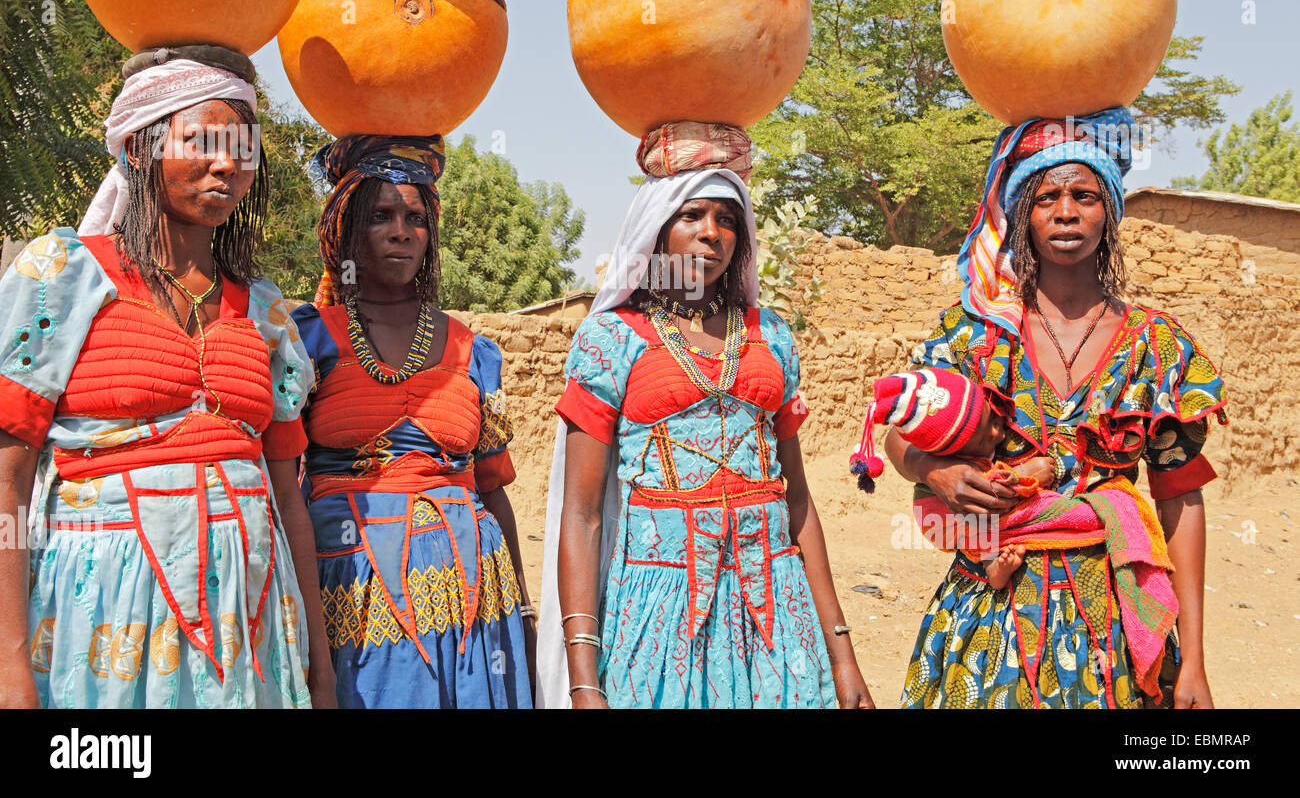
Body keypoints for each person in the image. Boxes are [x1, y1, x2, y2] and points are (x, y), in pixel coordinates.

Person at [0, 57, 333, 708]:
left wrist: (318, 673)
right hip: (102, 619)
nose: (227, 164)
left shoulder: (264, 312)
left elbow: (288, 502)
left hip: (251, 620)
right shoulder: (62, 277)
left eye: (243, 149)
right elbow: (6, 479)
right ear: (138, 147)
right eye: (202, 140)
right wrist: (10, 675)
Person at [889, 109, 1226, 709]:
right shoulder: (976, 334)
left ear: (1110, 211)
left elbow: (1179, 496)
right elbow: (900, 434)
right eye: (1046, 197)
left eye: (1084, 196)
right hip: (990, 611)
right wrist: (933, 471)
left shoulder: (1157, 346)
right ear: (1023, 214)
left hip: (1114, 622)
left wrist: (1195, 659)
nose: (1065, 211)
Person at [537, 122, 873, 709]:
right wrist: (583, 683)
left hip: (777, 608)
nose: (711, 233)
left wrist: (843, 658)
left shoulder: (771, 336)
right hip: (658, 611)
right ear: (656, 229)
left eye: (727, 219)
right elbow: (583, 515)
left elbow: (797, 500)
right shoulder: (611, 339)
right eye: (691, 216)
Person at [291, 135, 533, 708]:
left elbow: (492, 487)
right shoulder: (308, 339)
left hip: (476, 601)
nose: (401, 231)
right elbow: (283, 485)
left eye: (416, 218)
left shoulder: (472, 351)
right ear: (349, 231)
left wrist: (524, 612)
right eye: (381, 216)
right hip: (350, 597)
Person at [848, 368, 1045, 589]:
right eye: (983, 440)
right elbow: (992, 485)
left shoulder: (963, 425)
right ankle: (992, 566)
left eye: (993, 419)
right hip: (939, 515)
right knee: (980, 514)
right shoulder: (960, 464)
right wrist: (1024, 473)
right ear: (955, 453)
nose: (997, 433)